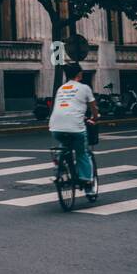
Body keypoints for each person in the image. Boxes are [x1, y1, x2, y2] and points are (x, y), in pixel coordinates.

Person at [48, 62, 99, 192]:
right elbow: (94, 108)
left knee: (64, 145)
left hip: (55, 127)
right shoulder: (85, 88)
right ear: (80, 74)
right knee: (82, 153)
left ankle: (60, 168)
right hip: (75, 128)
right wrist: (95, 118)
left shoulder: (61, 88)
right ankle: (87, 183)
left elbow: (67, 108)